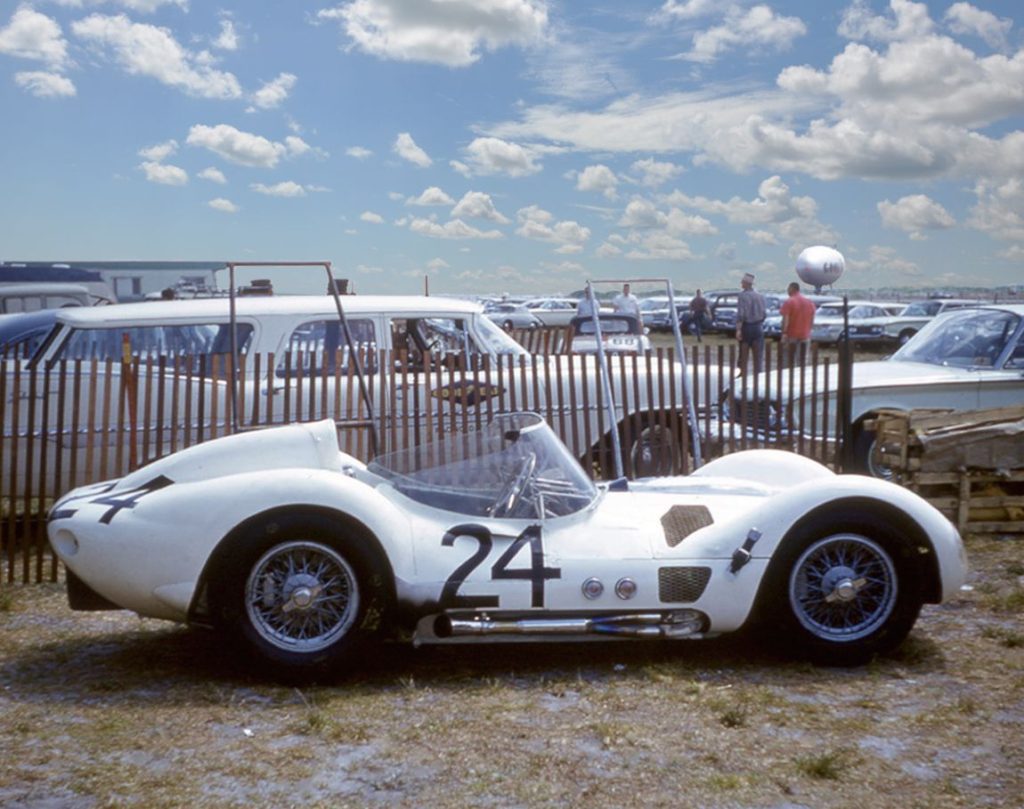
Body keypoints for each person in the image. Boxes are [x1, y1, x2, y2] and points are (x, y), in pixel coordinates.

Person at [735, 272, 766, 375]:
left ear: (746, 283)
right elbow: (764, 313)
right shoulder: (760, 296)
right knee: (758, 356)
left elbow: (741, 314)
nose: (741, 283)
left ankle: (741, 376)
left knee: (743, 355)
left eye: (742, 282)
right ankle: (758, 376)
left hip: (747, 326)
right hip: (758, 327)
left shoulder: (742, 296)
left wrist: (738, 329)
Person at [780, 281, 815, 368]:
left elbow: (786, 319)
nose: (787, 291)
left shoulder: (789, 302)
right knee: (803, 359)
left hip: (791, 334)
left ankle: (788, 377)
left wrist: (784, 333)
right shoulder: (809, 302)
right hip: (805, 335)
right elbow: (812, 319)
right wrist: (809, 330)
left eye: (788, 289)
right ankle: (801, 377)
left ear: (792, 289)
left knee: (788, 359)